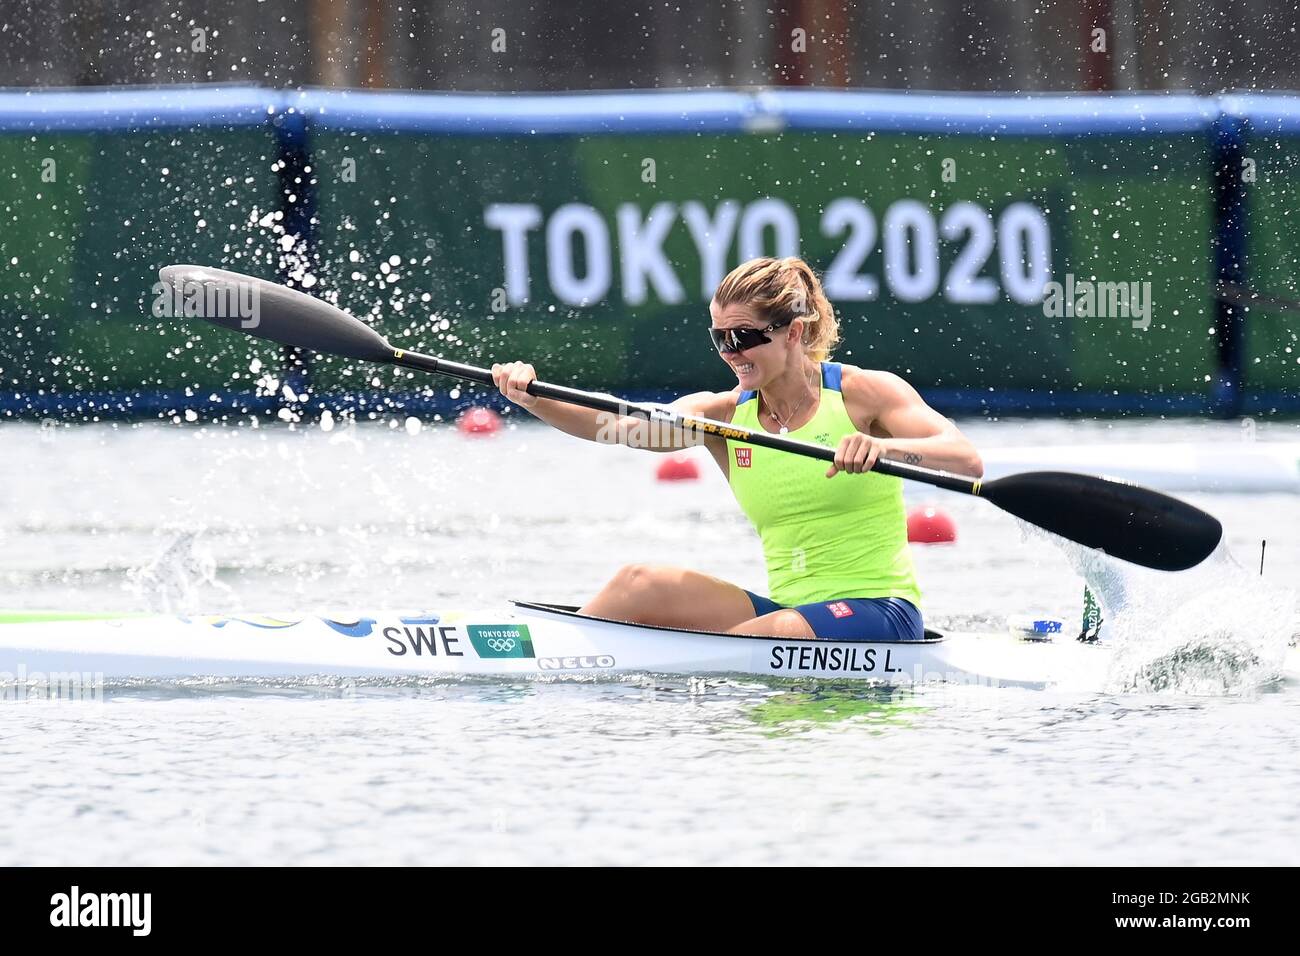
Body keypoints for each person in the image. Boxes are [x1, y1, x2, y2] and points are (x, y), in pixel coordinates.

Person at [490, 256, 982, 640]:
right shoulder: (721, 417)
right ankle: (558, 658)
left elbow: (964, 457)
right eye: (720, 338)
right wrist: (531, 395)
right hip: (789, 616)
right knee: (638, 582)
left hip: (881, 613)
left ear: (794, 333)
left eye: (744, 336)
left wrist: (881, 448)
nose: (731, 353)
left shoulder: (864, 394)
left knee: (772, 634)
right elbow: (614, 423)